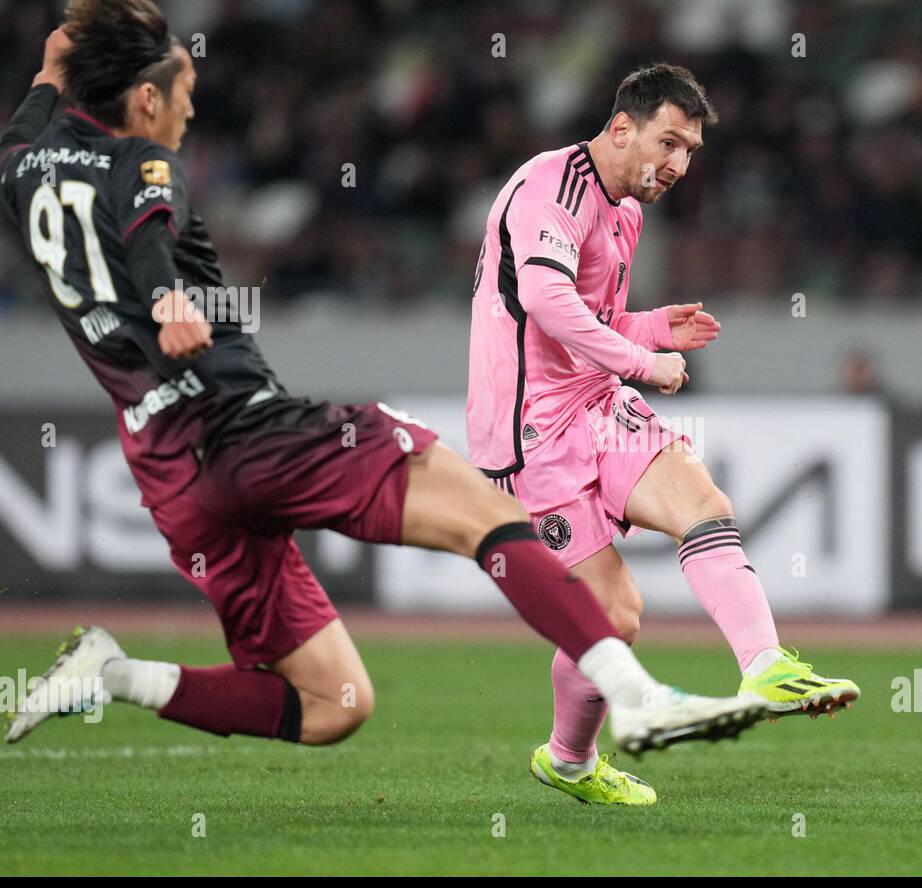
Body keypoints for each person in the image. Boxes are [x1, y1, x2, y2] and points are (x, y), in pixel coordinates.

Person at [2, 3, 766, 759]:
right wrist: (167, 295)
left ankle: (111, 672)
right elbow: (147, 233)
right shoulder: (147, 163)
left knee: (334, 704)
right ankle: (637, 698)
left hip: (165, 471)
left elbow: (22, 133)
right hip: (248, 430)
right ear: (144, 99)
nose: (191, 106)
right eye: (185, 90)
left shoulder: (22, 171)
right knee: (485, 512)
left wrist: (46, 72)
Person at [468, 64, 860, 806]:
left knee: (702, 502)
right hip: (528, 431)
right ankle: (569, 760)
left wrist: (647, 325)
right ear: (622, 128)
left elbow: (589, 318)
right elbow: (548, 301)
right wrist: (644, 359)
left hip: (593, 399)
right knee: (612, 615)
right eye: (669, 143)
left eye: (690, 151)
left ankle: (766, 665)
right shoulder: (549, 187)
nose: (679, 164)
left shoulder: (626, 211)